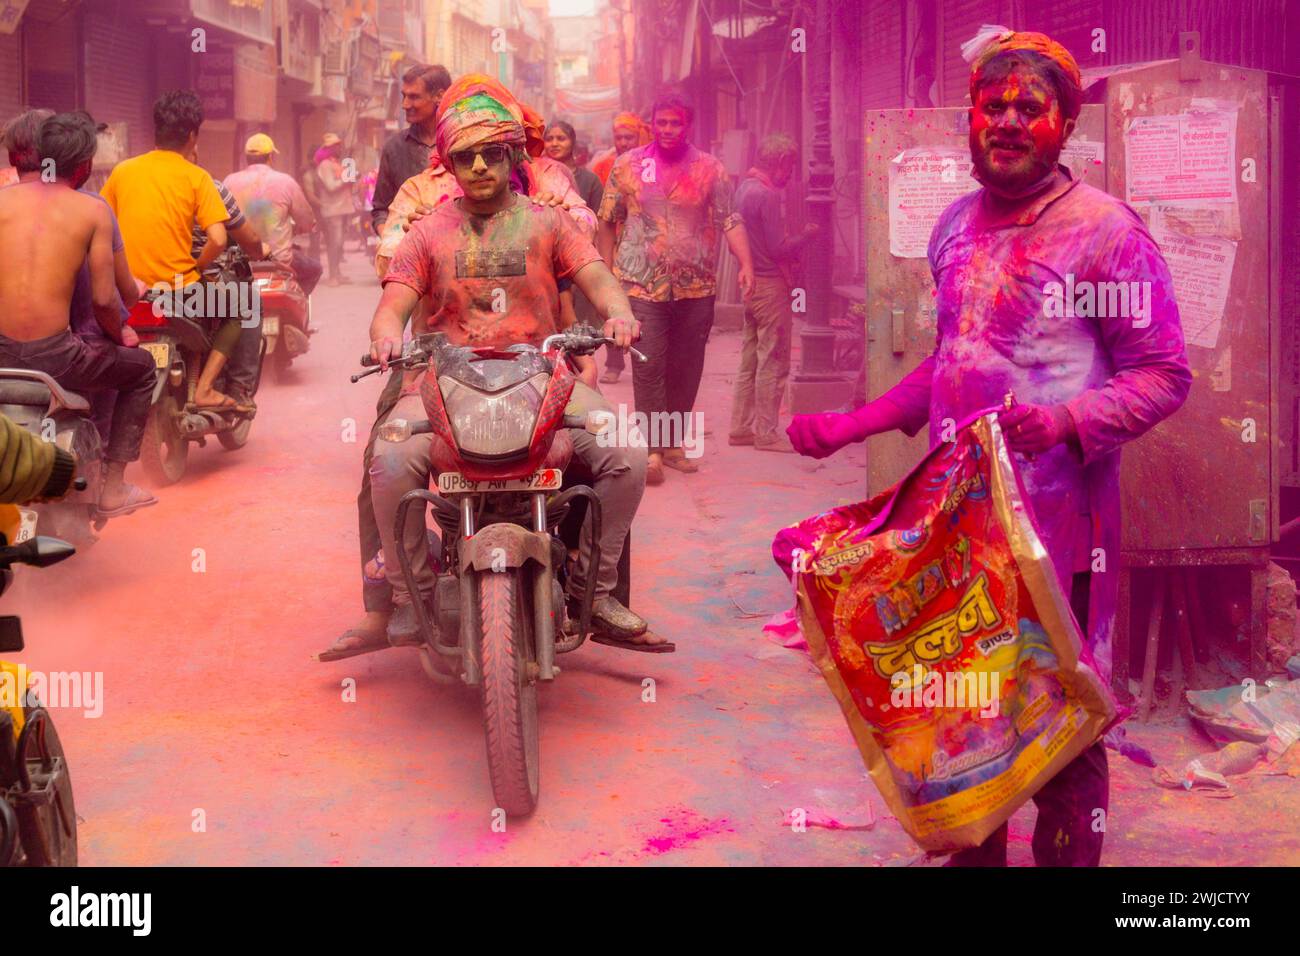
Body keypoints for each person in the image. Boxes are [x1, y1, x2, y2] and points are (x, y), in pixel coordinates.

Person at [787, 28, 1192, 867]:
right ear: (969, 115)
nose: (1007, 120)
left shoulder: (1108, 235)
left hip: (1062, 545)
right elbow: (956, 360)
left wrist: (1069, 421)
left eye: (1030, 108)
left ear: (1066, 123)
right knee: (965, 732)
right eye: (992, 103)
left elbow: (1164, 374)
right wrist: (851, 425)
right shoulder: (952, 229)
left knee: (1064, 741)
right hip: (960, 545)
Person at [318, 76, 664, 661]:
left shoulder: (549, 221)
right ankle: (407, 599)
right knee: (388, 459)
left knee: (626, 451)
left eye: (492, 153)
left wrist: (620, 312)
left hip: (541, 378)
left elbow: (597, 275)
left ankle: (594, 593)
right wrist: (383, 338)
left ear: (511, 155)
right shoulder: (426, 230)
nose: (479, 166)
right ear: (450, 163)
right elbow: (393, 302)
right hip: (440, 381)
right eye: (466, 157)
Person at [0, 112, 157, 518]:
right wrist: (120, 332)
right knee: (141, 370)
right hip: (56, 357)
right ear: (85, 165)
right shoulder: (92, 211)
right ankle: (113, 488)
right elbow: (106, 301)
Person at [597, 91, 755, 484]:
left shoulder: (709, 169)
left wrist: (746, 263)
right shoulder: (628, 165)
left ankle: (672, 445)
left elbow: (729, 219)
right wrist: (605, 275)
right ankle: (650, 451)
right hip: (640, 285)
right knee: (648, 364)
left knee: (686, 367)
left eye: (676, 123)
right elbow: (607, 221)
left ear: (687, 126)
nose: (668, 130)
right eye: (662, 122)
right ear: (653, 124)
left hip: (695, 287)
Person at [100, 90, 248, 412]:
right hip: (180, 291)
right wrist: (197, 265)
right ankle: (206, 388)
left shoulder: (123, 171)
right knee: (238, 309)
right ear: (193, 135)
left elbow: (103, 224)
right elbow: (219, 239)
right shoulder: (197, 177)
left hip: (128, 292)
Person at [729, 133, 819, 453]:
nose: (791, 174)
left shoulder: (743, 188)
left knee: (750, 359)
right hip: (770, 285)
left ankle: (740, 426)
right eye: (790, 166)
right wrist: (806, 236)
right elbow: (778, 248)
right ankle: (766, 432)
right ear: (781, 163)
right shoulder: (766, 195)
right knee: (774, 360)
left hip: (751, 285)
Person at [589, 111, 651, 384]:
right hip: (613, 243)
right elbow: (602, 214)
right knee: (614, 302)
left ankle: (646, 357)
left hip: (646, 248)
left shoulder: (650, 164)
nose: (624, 142)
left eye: (630, 137)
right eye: (619, 137)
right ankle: (614, 362)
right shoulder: (603, 164)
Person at [223, 133, 320, 293]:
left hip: (237, 261)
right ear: (270, 157)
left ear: (247, 158)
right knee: (315, 270)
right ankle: (298, 302)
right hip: (279, 262)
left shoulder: (229, 181)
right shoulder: (286, 182)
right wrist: (303, 228)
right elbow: (307, 221)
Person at [370, 64, 452, 236]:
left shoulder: (461, 143)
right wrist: (388, 237)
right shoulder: (394, 147)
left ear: (439, 96)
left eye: (414, 97)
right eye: (404, 96)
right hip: (407, 251)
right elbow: (380, 210)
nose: (405, 105)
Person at [544, 120, 604, 329]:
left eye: (561, 138)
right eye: (549, 138)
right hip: (550, 263)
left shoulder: (590, 180)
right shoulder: (536, 177)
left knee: (580, 329)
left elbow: (599, 224)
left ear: (573, 142)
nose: (554, 143)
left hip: (580, 261)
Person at [315, 133, 353, 285]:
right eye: (336, 146)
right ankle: (332, 276)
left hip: (344, 208)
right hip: (332, 210)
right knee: (334, 243)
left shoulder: (336, 163)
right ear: (329, 149)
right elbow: (330, 186)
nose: (340, 148)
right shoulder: (324, 165)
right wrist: (345, 180)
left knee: (340, 243)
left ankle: (337, 273)